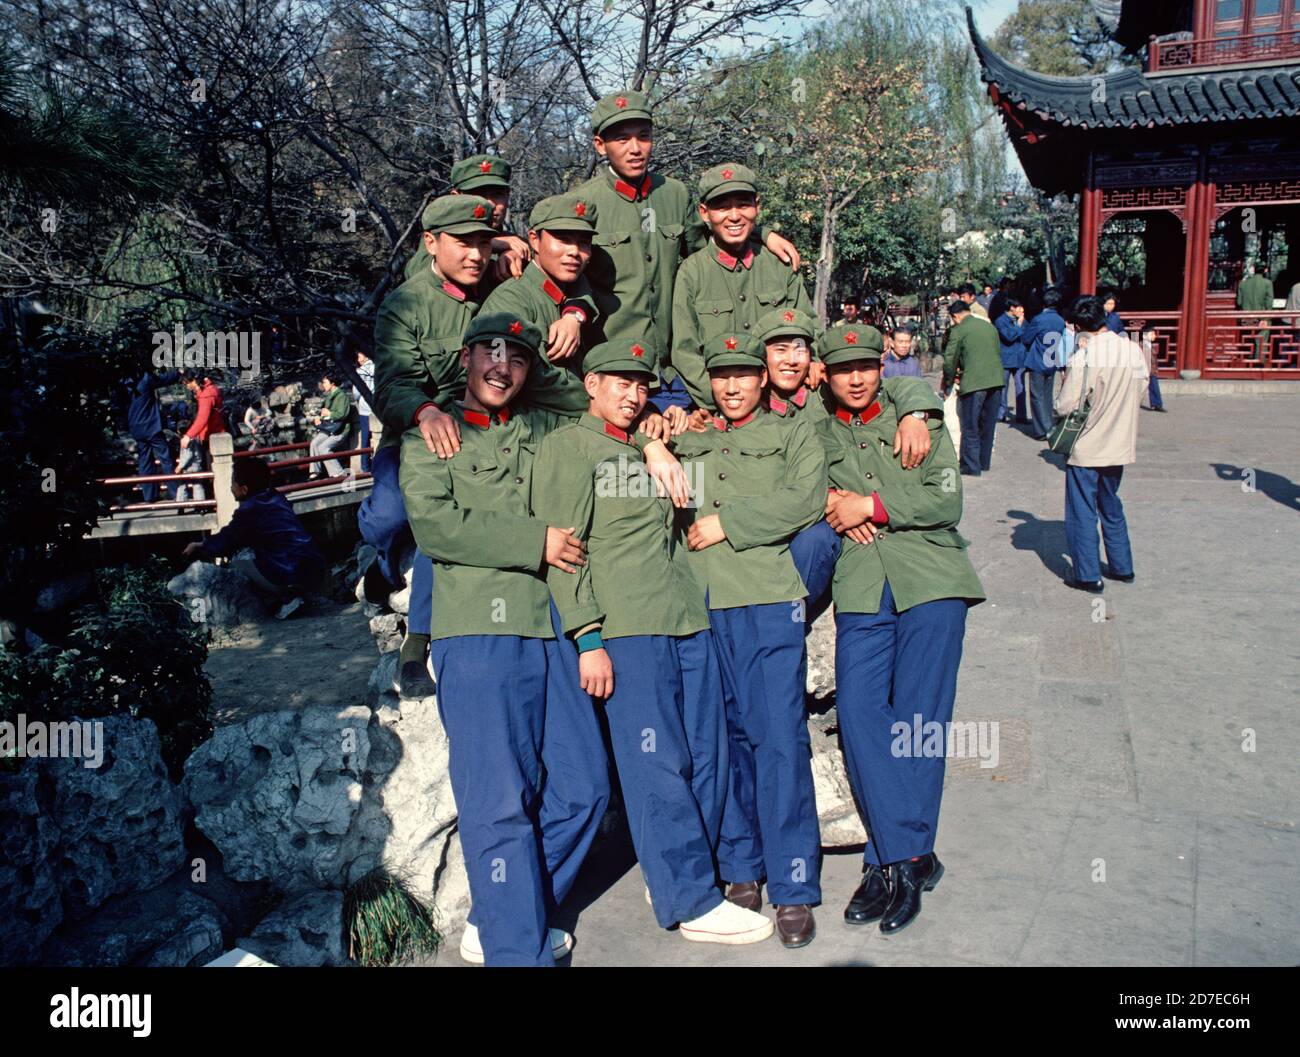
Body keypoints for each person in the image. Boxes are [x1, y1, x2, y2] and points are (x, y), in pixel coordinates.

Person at [531, 337, 774, 946]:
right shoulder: (568, 449)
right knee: (656, 764)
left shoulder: (644, 445)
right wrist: (587, 637)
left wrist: (652, 442)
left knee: (706, 755)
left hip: (686, 616)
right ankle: (688, 900)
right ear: (591, 386)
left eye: (641, 385)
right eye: (619, 383)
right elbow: (564, 556)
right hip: (627, 624)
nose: (633, 394)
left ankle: (682, 873)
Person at [398, 313, 613, 966]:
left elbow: (584, 397)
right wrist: (535, 540)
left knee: (586, 789)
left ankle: (508, 911)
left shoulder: (541, 426)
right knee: (499, 808)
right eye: (488, 354)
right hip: (478, 635)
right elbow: (439, 528)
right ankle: (519, 949)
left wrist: (558, 337)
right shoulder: (434, 434)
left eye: (516, 359)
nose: (501, 367)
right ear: (464, 358)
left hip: (546, 628)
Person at [815, 324, 983, 936]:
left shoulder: (919, 416)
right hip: (862, 581)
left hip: (932, 576)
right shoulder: (816, 424)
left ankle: (890, 866)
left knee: (919, 723)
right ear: (824, 374)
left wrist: (872, 505)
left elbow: (945, 498)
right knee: (860, 715)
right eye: (842, 368)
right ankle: (913, 854)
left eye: (865, 365)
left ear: (882, 365)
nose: (856, 378)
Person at [671, 333, 826, 948]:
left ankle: (793, 885)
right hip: (702, 605)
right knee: (724, 740)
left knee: (779, 738)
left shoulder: (793, 434)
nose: (731, 387)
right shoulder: (690, 438)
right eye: (720, 376)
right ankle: (741, 870)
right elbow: (620, 448)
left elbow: (806, 499)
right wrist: (658, 447)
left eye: (743, 375)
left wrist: (727, 523)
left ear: (764, 379)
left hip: (765, 601)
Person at [571, 89, 800, 411]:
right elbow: (565, 272)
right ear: (600, 145)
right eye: (622, 139)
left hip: (671, 372)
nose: (635, 149)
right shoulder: (585, 203)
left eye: (644, 137)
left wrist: (762, 233)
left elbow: (712, 240)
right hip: (615, 367)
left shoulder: (675, 194)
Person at [360, 193, 497, 699]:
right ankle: (378, 568)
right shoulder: (405, 304)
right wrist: (425, 410)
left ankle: (417, 644)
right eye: (463, 243)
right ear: (431, 244)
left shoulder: (499, 296)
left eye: (484, 244)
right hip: (417, 432)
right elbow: (393, 385)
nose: (475, 255)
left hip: (483, 438)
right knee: (391, 518)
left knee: (442, 524)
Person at [672, 163, 814, 410]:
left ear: (757, 206)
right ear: (704, 213)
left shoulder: (780, 265)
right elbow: (685, 353)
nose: (735, 216)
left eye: (743, 205)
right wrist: (722, 400)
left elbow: (809, 331)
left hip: (783, 406)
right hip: (720, 410)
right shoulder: (691, 273)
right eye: (723, 207)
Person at [1056, 295, 1148, 593]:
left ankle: (1088, 574)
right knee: (1110, 504)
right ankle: (1122, 566)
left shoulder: (1085, 356)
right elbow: (1142, 385)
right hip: (1119, 441)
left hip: (1087, 444)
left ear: (1079, 326)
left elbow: (1065, 405)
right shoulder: (1131, 350)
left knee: (1082, 510)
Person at [480, 192, 601, 407]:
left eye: (583, 243)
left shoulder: (571, 290)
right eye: (563, 239)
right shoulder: (512, 299)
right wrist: (602, 404)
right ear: (534, 240)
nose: (574, 251)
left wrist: (575, 315)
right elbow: (534, 382)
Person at [182, 456, 326, 617]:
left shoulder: (249, 510)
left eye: (232, 483)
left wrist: (201, 546)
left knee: (238, 561)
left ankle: (281, 600)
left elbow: (225, 542)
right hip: (314, 569)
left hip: (287, 573)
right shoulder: (277, 498)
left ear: (244, 489)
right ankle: (295, 595)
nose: (230, 487)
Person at [403, 154, 530, 286]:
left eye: (497, 195)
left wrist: (512, 255)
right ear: (455, 197)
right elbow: (416, 274)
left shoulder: (516, 243)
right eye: (477, 195)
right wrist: (491, 244)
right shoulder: (443, 235)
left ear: (507, 196)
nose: (489, 204)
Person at [941, 300, 1003, 476]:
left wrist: (948, 381)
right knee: (987, 424)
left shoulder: (959, 330)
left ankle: (970, 465)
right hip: (996, 381)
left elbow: (949, 360)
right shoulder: (989, 327)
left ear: (955, 316)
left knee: (969, 424)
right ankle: (984, 462)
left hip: (974, 383)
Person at [128, 363, 180, 502]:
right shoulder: (146, 379)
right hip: (151, 426)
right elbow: (164, 379)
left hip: (136, 428)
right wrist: (179, 372)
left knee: (145, 462)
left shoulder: (125, 382)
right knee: (166, 459)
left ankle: (149, 496)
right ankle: (176, 493)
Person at [1020, 288, 1067, 440]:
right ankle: (1049, 424)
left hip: (1038, 360)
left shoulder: (1039, 319)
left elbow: (1026, 338)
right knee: (1047, 395)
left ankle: (1041, 429)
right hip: (1052, 359)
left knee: (1036, 395)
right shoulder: (1060, 320)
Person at [176, 371, 227, 502]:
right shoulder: (211, 389)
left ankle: (214, 501)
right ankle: (215, 500)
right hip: (216, 433)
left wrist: (188, 436)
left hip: (211, 436)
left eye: (187, 383)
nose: (186, 386)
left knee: (211, 471)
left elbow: (202, 419)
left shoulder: (206, 395)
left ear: (194, 381)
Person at [309, 371, 353, 480]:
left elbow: (342, 414)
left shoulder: (342, 396)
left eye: (325, 382)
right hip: (330, 428)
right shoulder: (329, 396)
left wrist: (329, 414)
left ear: (332, 383)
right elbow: (326, 412)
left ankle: (338, 473)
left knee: (323, 448)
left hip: (340, 430)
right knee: (314, 443)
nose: (323, 384)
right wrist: (320, 418)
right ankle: (315, 471)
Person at [994, 298, 1027, 424]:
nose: (1021, 310)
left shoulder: (1022, 320)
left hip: (1019, 358)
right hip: (1006, 358)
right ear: (1012, 308)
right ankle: (1001, 413)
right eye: (1019, 307)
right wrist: (1018, 325)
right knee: (1003, 387)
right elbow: (1008, 336)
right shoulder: (1000, 321)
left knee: (1021, 387)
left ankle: (1021, 415)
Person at [1237, 262, 1275, 362]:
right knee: (1261, 340)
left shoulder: (1243, 283)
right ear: (1265, 270)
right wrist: (1266, 318)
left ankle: (1248, 360)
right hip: (1261, 316)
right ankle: (1259, 363)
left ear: (1253, 269)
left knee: (1249, 338)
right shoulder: (1267, 283)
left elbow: (1239, 302)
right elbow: (1269, 303)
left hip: (1246, 318)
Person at [353, 351, 376, 470]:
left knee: (365, 438)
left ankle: (365, 466)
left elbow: (356, 393)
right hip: (377, 407)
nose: (358, 359)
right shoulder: (377, 368)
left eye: (359, 356)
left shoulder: (360, 371)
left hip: (365, 408)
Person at [1139, 326, 1166, 413]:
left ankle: (1157, 404)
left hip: (1151, 370)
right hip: (1144, 370)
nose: (1154, 336)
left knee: (1154, 387)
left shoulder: (1149, 345)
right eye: (1152, 334)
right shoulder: (1141, 345)